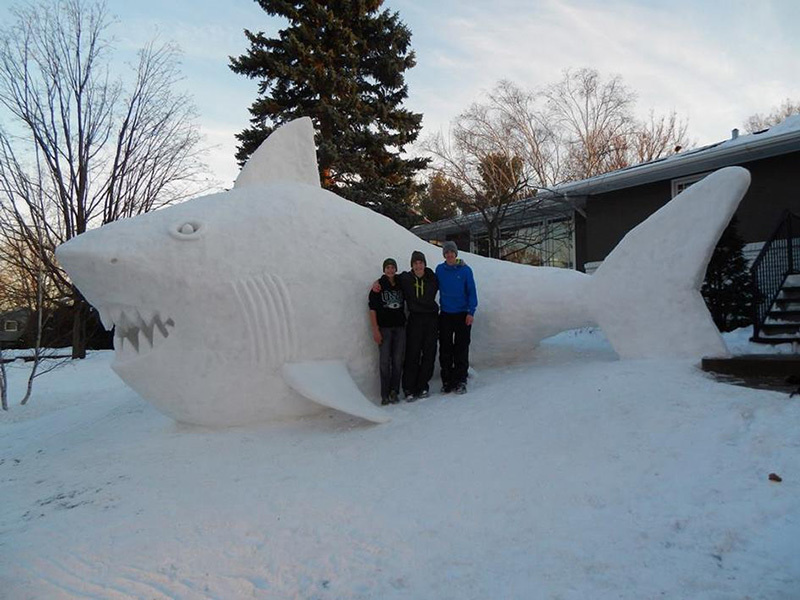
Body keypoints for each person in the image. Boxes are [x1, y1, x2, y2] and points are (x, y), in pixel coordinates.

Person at [373, 250, 439, 401]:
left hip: (431, 319)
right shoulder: (406, 278)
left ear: (424, 264)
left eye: (420, 263)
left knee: (429, 354)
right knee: (412, 354)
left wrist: (460, 262)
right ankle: (409, 388)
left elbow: (449, 273)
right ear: (412, 265)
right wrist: (377, 283)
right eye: (415, 263)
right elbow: (390, 277)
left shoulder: (433, 278)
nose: (418, 266)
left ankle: (422, 386)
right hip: (415, 319)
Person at [436, 241, 477, 395]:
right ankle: (447, 380)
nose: (449, 255)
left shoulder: (465, 270)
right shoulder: (440, 270)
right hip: (446, 314)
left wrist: (471, 312)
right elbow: (429, 282)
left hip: (462, 314)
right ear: (444, 255)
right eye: (446, 252)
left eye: (451, 252)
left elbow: (472, 292)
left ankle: (461, 380)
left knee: (461, 348)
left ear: (456, 253)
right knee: (445, 348)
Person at [368, 258, 405, 405]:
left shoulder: (401, 282)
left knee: (397, 361)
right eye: (388, 267)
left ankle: (394, 391)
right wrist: (375, 329)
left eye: (392, 267)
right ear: (384, 270)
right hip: (384, 329)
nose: (390, 270)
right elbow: (372, 309)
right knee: (384, 362)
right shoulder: (379, 286)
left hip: (400, 328)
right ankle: (384, 394)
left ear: (396, 269)